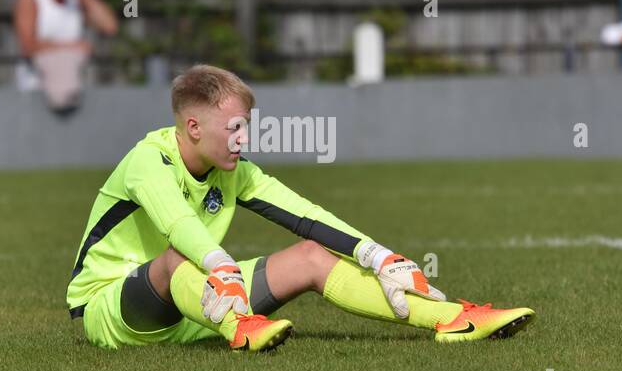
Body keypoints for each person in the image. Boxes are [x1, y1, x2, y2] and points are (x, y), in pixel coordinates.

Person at [66, 64, 536, 352]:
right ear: (192, 126)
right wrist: (221, 267)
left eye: (245, 127)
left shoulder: (236, 170)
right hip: (111, 309)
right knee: (176, 258)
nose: (244, 139)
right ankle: (242, 330)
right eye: (233, 128)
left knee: (312, 254)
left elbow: (304, 214)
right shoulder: (147, 161)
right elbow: (178, 224)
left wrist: (378, 254)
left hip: (206, 302)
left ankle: (454, 319)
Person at [12, 0, 119, 112]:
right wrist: (70, 47)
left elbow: (109, 26)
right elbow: (27, 46)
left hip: (74, 86)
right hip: (36, 87)